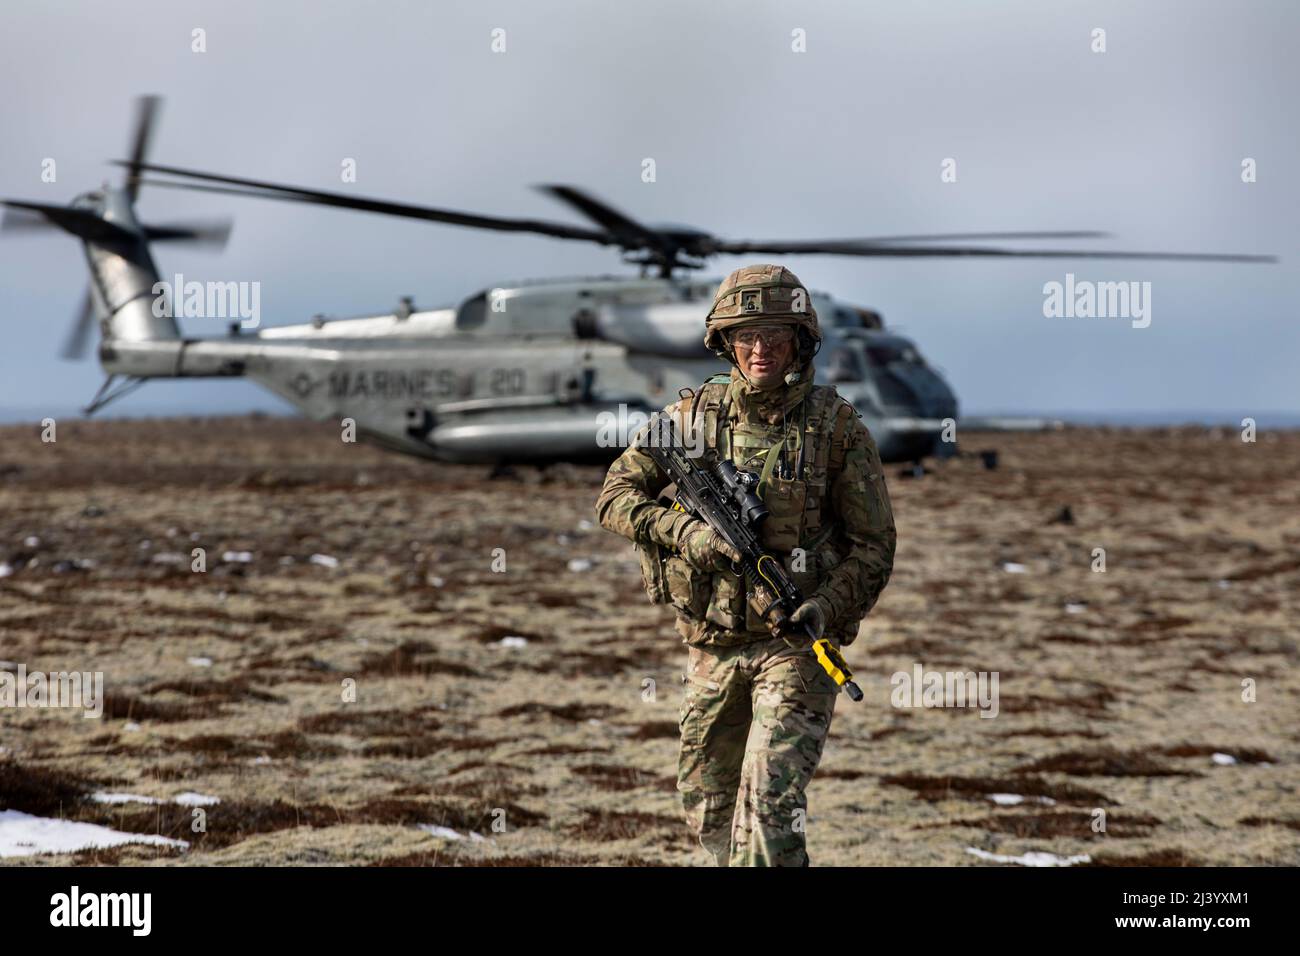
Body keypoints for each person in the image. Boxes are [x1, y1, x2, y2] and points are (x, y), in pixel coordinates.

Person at [596, 263, 896, 866]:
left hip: (795, 649)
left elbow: (873, 545)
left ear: (800, 343)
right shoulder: (690, 420)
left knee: (769, 802)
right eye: (747, 336)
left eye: (775, 336)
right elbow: (615, 497)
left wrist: (824, 606)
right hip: (713, 645)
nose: (760, 350)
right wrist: (688, 535)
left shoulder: (837, 430)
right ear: (726, 342)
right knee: (710, 806)